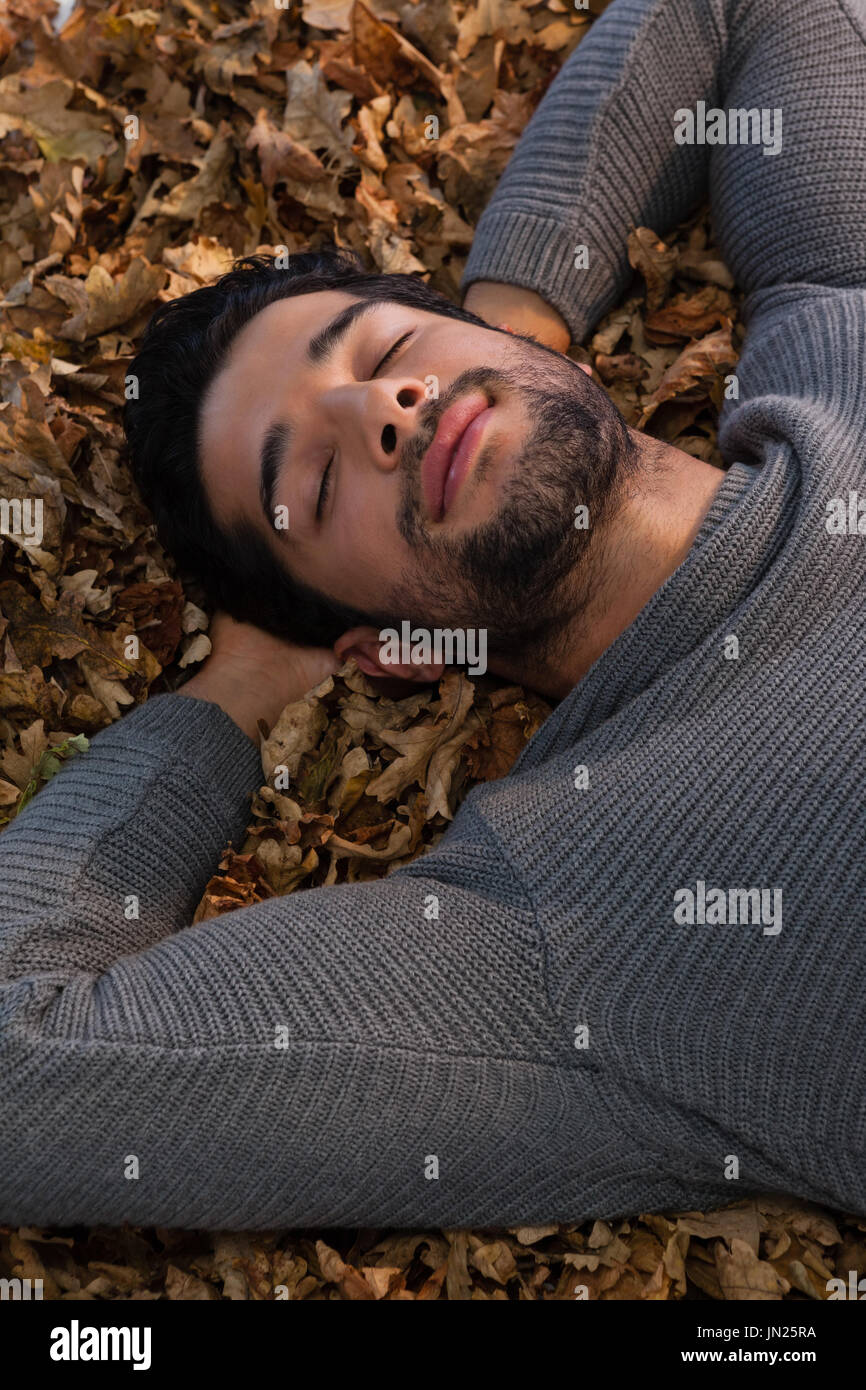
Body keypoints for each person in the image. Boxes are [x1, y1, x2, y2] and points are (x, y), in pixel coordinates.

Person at [1, 0, 864, 1230]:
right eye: (314, 482)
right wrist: (228, 698)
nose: (384, 411)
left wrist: (513, 319)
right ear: (391, 653)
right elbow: (16, 1067)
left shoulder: (835, 327)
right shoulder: (559, 936)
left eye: (383, 345)